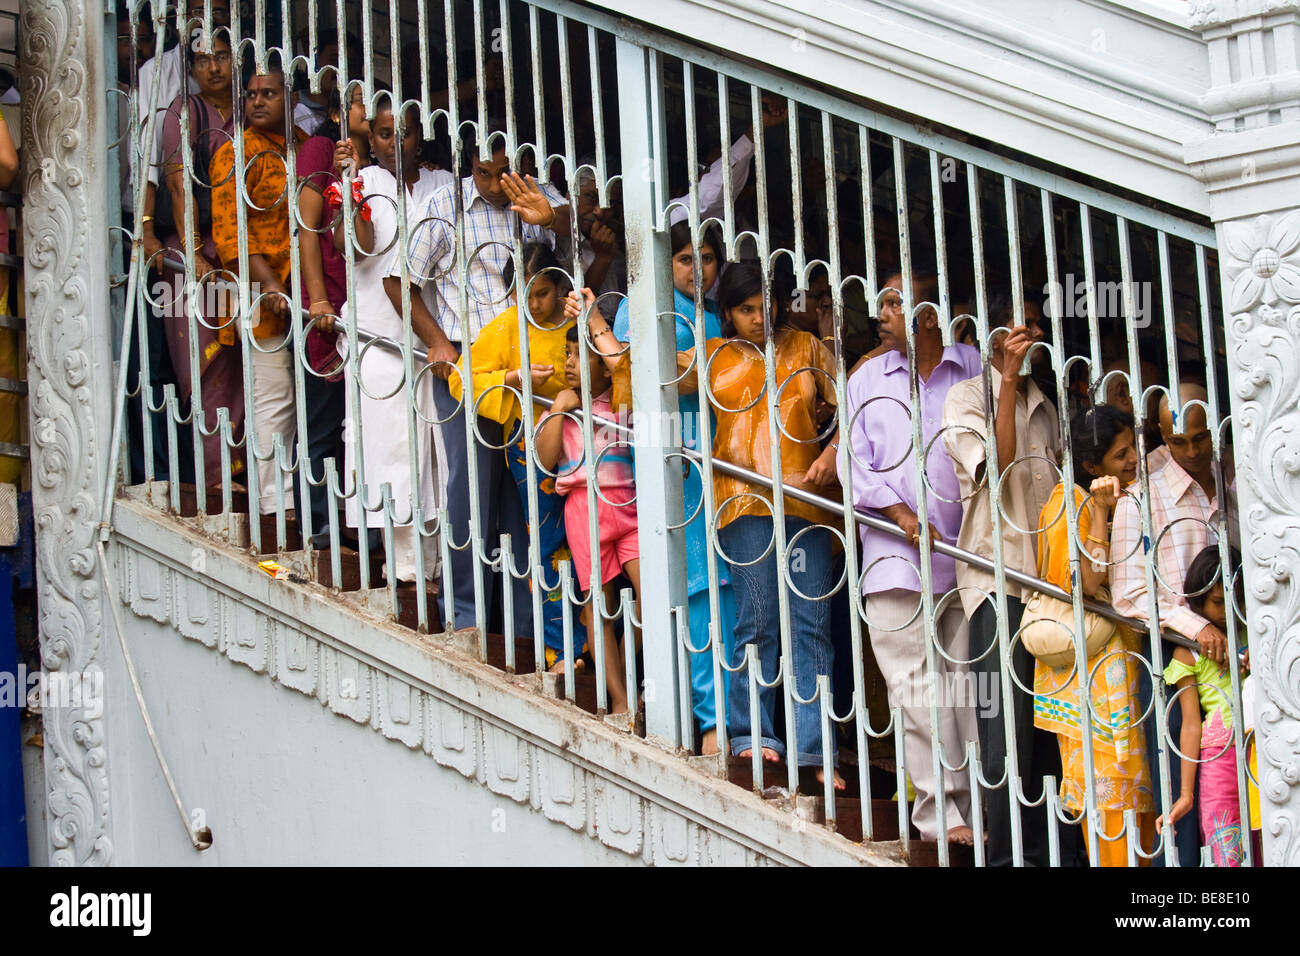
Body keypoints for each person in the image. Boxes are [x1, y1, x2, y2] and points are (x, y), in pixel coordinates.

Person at [637, 262, 843, 788]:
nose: (758, 318)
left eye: (764, 306)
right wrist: (598, 324)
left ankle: (815, 752)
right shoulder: (713, 355)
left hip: (808, 502)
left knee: (812, 626)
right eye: (745, 309)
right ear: (726, 312)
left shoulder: (808, 349)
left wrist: (835, 449)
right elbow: (646, 373)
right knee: (757, 618)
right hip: (742, 504)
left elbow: (851, 409)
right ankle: (752, 735)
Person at [386, 122, 570, 635]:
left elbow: (583, 230)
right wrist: (438, 343)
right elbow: (397, 280)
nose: (493, 185)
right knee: (471, 491)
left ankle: (523, 622)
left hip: (532, 368)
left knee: (523, 493)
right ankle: (464, 615)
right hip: (469, 366)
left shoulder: (533, 193)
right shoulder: (445, 205)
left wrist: (550, 215)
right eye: (483, 173)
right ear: (469, 166)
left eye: (502, 172)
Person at [842, 271, 981, 845]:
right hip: (894, 558)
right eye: (882, 301)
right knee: (916, 691)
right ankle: (939, 816)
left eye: (895, 302)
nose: (882, 313)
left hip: (966, 557)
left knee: (966, 691)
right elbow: (857, 468)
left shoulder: (970, 366)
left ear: (930, 312)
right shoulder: (867, 377)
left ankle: (978, 811)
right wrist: (900, 516)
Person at [942, 292, 1064, 866]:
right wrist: (1007, 381)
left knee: (1049, 732)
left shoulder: (1046, 401)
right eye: (1022, 323)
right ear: (992, 330)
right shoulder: (965, 396)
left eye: (1037, 323)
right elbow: (1000, 470)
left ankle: (1043, 856)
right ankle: (1005, 860)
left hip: (1053, 589)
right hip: (1000, 584)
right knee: (1005, 732)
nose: (1032, 332)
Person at [609, 221, 736, 755]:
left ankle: (715, 720)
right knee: (692, 592)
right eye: (685, 259)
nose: (697, 269)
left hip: (719, 466)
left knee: (717, 595)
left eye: (706, 258)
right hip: (671, 465)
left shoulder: (718, 315)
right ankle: (705, 723)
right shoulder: (642, 308)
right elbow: (640, 374)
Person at [1111, 382, 1237, 867]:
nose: (1191, 452)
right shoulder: (1139, 501)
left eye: (1200, 439)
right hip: (1175, 662)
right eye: (1178, 441)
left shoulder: (1235, 480)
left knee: (1239, 793)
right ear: (1161, 435)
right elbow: (1130, 593)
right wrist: (1195, 627)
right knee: (1181, 800)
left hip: (1238, 662)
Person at [333, 98, 451, 582]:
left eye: (402, 132)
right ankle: (403, 572)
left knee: (436, 455)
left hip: (435, 338)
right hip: (376, 337)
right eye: (383, 134)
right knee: (392, 453)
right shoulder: (365, 182)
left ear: (417, 135)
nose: (393, 142)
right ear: (370, 139)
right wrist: (350, 187)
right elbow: (356, 247)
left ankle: (440, 565)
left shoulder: (442, 183)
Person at [1032, 405, 1155, 866]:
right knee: (1106, 791)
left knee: (1125, 787)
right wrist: (1102, 510)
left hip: (1109, 670)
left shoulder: (1104, 497)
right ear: (1091, 465)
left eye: (1132, 450)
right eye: (1120, 454)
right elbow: (1083, 582)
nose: (1131, 461)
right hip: (1090, 673)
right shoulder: (1072, 500)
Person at [458, 243, 581, 666]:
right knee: (547, 542)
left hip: (584, 441)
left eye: (543, 292)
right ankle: (560, 648)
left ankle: (589, 644)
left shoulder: (571, 321)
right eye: (524, 293)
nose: (533, 303)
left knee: (584, 539)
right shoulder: (507, 325)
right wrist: (513, 377)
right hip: (531, 445)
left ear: (560, 287)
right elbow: (463, 379)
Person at [209, 65, 306, 519]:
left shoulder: (305, 148)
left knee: (310, 401)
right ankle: (275, 502)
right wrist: (269, 285)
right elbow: (231, 235)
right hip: (264, 294)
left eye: (269, 93)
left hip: (311, 290)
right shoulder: (235, 152)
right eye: (250, 95)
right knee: (274, 394)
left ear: (291, 98)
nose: (257, 102)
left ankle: (305, 501)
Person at [536, 322, 640, 712]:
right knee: (599, 606)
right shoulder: (561, 408)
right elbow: (546, 462)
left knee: (650, 599)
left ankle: (619, 664)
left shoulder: (619, 403)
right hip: (584, 508)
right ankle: (620, 700)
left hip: (628, 507)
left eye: (581, 356)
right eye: (567, 354)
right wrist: (559, 410)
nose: (569, 364)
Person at [157, 30, 244, 492]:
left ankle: (246, 468)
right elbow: (176, 184)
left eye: (224, 56)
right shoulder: (183, 112)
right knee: (204, 365)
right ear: (190, 69)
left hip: (241, 255)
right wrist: (192, 253)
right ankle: (215, 475)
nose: (214, 67)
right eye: (204, 59)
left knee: (244, 362)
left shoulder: (252, 111)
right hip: (188, 256)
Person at [1163, 545, 1247, 867]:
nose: (1227, 609)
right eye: (1216, 601)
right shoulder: (1188, 653)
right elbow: (1190, 724)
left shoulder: (1253, 630)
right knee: (1227, 853)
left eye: (1232, 598)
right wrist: (1186, 793)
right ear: (1197, 600)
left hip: (1259, 749)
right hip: (1220, 759)